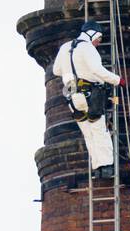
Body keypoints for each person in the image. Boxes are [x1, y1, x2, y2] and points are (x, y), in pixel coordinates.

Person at [52, 21, 122, 175]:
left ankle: (96, 167)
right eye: (99, 38)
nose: (99, 42)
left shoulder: (65, 47)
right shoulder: (87, 48)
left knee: (87, 132)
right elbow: (97, 70)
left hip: (73, 97)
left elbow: (56, 70)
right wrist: (118, 80)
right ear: (92, 34)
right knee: (99, 130)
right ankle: (106, 167)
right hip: (92, 95)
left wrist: (70, 69)